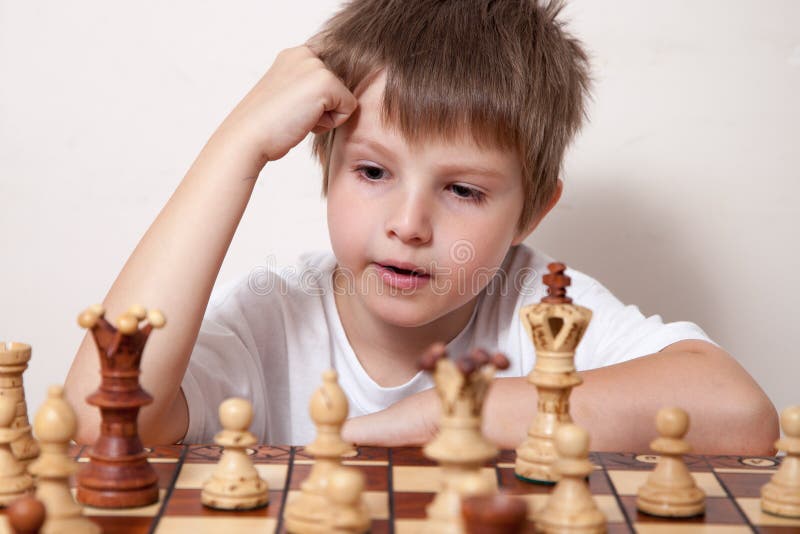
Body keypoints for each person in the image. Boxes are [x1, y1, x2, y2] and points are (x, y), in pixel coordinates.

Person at [65, 0, 777, 454]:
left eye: (463, 190)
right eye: (373, 172)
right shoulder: (274, 318)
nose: (408, 225)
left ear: (531, 214)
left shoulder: (537, 310)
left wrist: (451, 412)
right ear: (326, 166)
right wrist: (237, 147)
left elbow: (740, 409)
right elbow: (100, 422)